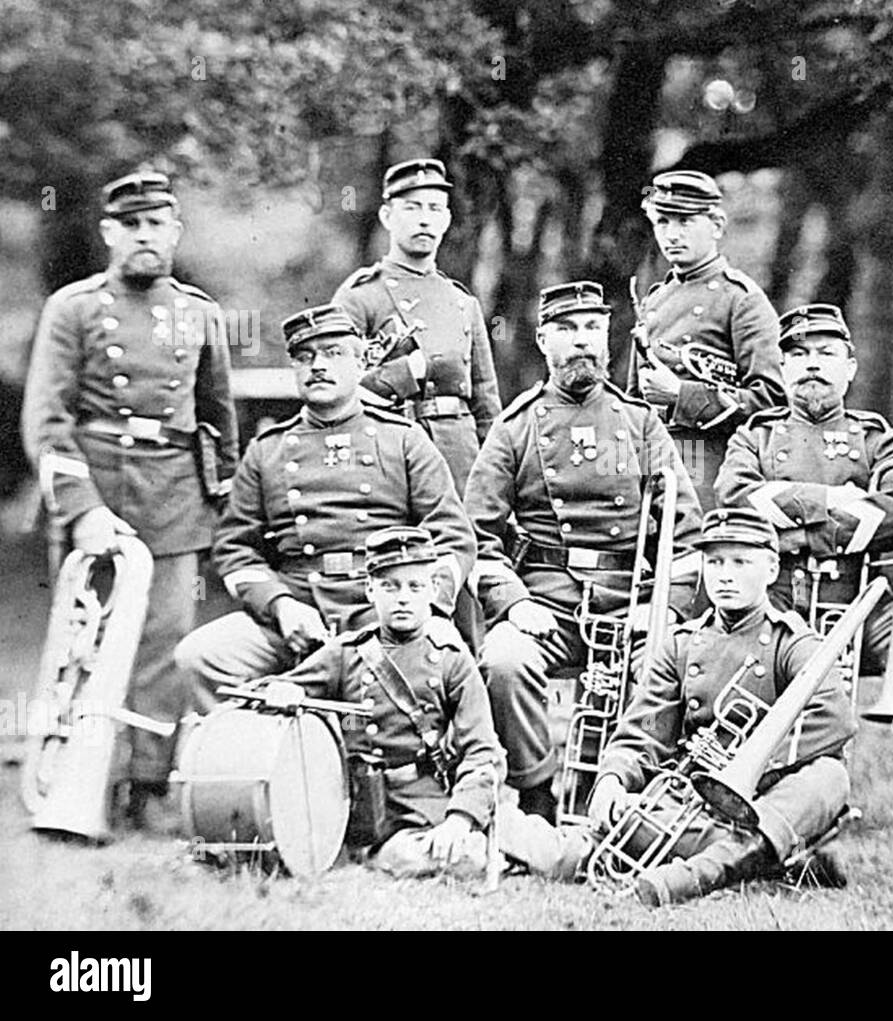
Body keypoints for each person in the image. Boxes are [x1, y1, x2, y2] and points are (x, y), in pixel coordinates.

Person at [21, 171, 238, 826]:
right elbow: (47, 420)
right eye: (132, 225)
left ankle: (147, 785)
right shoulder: (74, 308)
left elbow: (217, 419)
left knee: (165, 648)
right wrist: (83, 509)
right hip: (100, 485)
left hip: (172, 493)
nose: (146, 237)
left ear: (174, 233)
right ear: (110, 232)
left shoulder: (200, 313)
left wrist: (218, 499)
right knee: (87, 641)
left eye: (158, 225)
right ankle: (74, 776)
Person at [715, 303, 893, 834]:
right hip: (778, 609)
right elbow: (737, 500)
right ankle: (751, 786)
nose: (812, 365)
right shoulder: (753, 438)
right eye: (798, 355)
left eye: (826, 355)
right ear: (781, 370)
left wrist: (789, 515)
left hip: (865, 606)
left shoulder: (877, 439)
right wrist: (838, 500)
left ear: (849, 367)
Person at [465, 280, 703, 821]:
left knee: (668, 665)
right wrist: (513, 603)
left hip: (630, 601)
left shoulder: (641, 424)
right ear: (544, 340)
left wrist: (662, 608)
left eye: (593, 328)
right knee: (504, 659)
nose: (582, 343)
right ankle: (537, 794)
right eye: (568, 331)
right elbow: (474, 536)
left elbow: (685, 535)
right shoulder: (514, 428)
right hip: (545, 604)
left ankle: (631, 798)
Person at [174, 304, 475, 706]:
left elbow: (452, 536)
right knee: (200, 656)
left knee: (438, 666)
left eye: (333, 354)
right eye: (304, 357)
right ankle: (248, 764)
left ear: (361, 361)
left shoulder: (404, 440)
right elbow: (233, 547)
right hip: (299, 613)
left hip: (386, 611)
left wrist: (419, 612)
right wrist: (281, 606)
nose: (317, 366)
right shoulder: (268, 450)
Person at [586, 507, 856, 906]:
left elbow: (831, 717)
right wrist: (612, 778)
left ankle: (697, 873)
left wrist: (747, 768)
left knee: (830, 778)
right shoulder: (680, 644)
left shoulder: (793, 641)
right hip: (696, 801)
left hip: (767, 794)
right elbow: (642, 732)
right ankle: (780, 860)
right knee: (628, 816)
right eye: (714, 562)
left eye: (740, 562)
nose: (724, 575)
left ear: (770, 568)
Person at [254, 526, 505, 877]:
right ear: (370, 590)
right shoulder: (346, 653)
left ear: (433, 590)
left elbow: (483, 751)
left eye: (415, 587)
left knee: (522, 849)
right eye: (389, 586)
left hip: (429, 798)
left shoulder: (452, 659)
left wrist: (460, 820)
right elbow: (267, 691)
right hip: (363, 806)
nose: (402, 598)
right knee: (423, 857)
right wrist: (281, 691)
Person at [331, 158, 501, 495]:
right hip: (389, 457)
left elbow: (485, 404)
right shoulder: (361, 295)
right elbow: (335, 388)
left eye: (435, 209)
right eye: (411, 208)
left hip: (459, 461)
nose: (425, 219)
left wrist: (496, 480)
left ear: (447, 219)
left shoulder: (462, 302)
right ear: (387, 217)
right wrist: (408, 372)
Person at [631, 170, 784, 510]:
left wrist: (680, 394)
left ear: (716, 225)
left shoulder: (741, 299)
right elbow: (634, 402)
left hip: (713, 467)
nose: (672, 234)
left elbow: (772, 402)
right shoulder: (654, 300)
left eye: (685, 221)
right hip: (652, 464)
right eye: (662, 222)